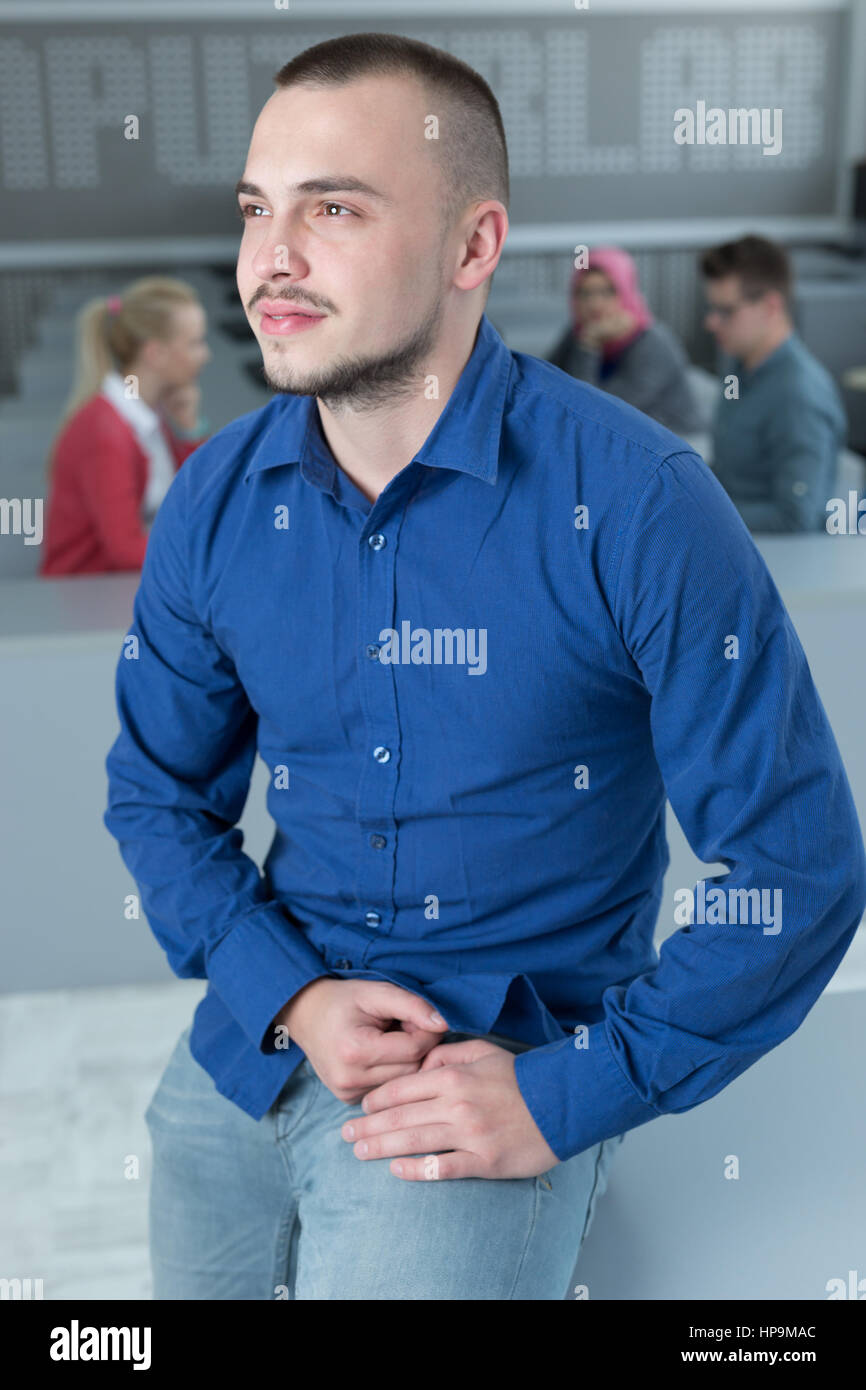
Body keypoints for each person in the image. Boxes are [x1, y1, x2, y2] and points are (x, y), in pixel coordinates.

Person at [103, 33, 866, 1302]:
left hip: (487, 1086)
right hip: (236, 1076)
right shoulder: (214, 506)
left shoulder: (637, 505)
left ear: (472, 246)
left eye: (331, 208)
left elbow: (795, 868)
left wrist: (569, 1096)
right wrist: (288, 995)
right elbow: (155, 799)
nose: (268, 261)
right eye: (255, 210)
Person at [39, 277, 210, 575]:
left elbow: (199, 498)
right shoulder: (105, 431)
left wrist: (190, 428)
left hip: (122, 587)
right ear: (155, 353)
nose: (205, 355)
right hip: (87, 598)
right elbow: (125, 550)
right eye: (195, 343)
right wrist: (214, 555)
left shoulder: (146, 414)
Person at [701, 235, 847, 532]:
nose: (711, 322)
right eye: (712, 309)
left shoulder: (799, 393)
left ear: (770, 307)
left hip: (780, 559)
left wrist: (701, 516)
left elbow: (795, 517)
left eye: (726, 311)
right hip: (736, 540)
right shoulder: (739, 366)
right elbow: (730, 475)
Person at [546, 246, 703, 436]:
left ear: (627, 293)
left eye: (608, 292)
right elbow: (543, 379)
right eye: (585, 293)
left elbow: (595, 413)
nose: (595, 304)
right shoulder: (578, 333)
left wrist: (589, 346)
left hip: (674, 446)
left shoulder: (651, 343)